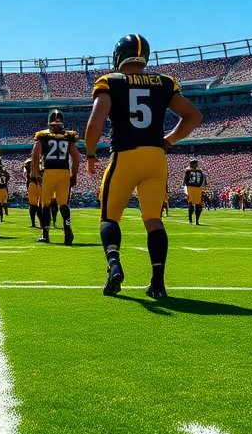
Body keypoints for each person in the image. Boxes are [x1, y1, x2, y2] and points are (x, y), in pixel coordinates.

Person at [83, 34, 202, 299]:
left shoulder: (110, 81)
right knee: (153, 220)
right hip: (155, 159)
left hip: (125, 156)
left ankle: (114, 265)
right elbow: (194, 115)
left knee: (109, 217)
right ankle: (157, 283)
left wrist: (90, 154)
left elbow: (95, 122)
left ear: (118, 56)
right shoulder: (164, 82)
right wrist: (169, 139)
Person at [30, 109, 79, 244]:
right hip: (64, 173)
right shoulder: (68, 136)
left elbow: (35, 154)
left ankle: (45, 234)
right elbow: (76, 157)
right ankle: (67, 231)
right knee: (63, 204)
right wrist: (74, 174)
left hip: (49, 172)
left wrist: (35, 172)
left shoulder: (43, 136)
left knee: (45, 203)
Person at [183, 159, 206, 225]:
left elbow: (203, 179)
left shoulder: (200, 171)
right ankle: (190, 219)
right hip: (190, 188)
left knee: (198, 205)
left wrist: (204, 187)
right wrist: (185, 189)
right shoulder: (188, 170)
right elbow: (185, 180)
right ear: (192, 164)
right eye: (196, 163)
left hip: (198, 188)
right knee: (191, 204)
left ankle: (197, 220)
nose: (197, 165)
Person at [23, 158, 41, 228]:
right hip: (33, 184)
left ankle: (40, 222)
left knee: (38, 205)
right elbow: (26, 166)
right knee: (34, 205)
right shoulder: (29, 166)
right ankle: (35, 223)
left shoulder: (39, 166)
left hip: (38, 185)